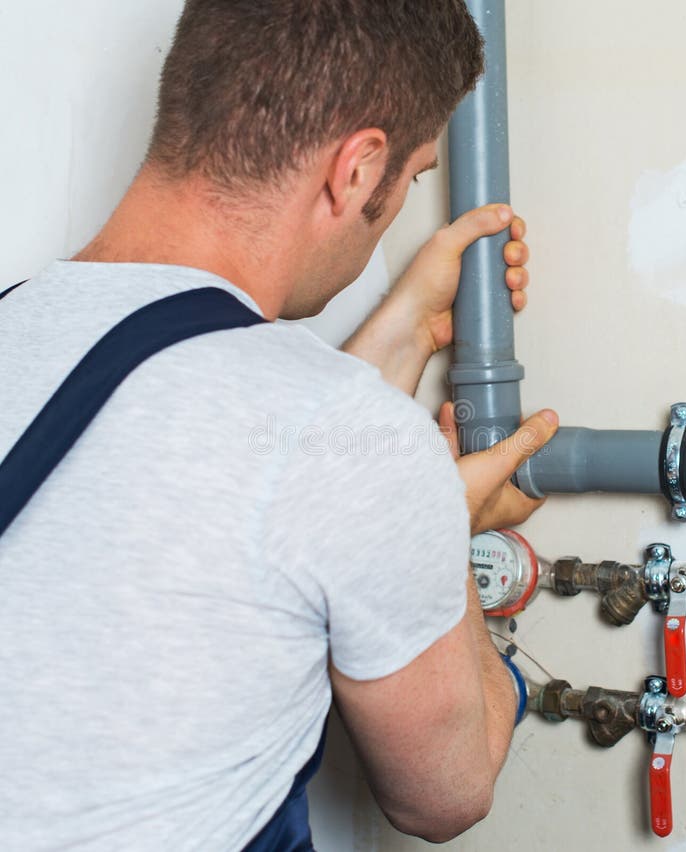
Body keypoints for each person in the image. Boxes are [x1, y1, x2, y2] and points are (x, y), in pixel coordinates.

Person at [0, 1, 558, 849]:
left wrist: (408, 323)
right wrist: (444, 529)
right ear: (359, 169)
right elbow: (448, 793)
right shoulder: (338, 446)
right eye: (411, 179)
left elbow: (226, 453)